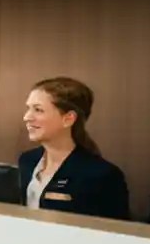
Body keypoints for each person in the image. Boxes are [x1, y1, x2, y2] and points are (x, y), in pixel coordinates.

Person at [20, 77, 130, 220]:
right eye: (28, 108)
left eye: (38, 110)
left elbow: (114, 229)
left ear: (68, 119)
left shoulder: (102, 175)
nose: (27, 117)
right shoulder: (27, 160)